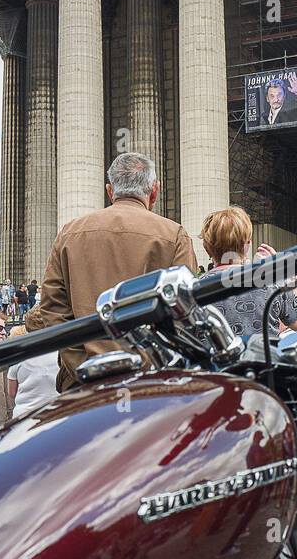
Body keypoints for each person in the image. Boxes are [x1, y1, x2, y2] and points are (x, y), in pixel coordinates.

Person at [26, 153, 197, 388]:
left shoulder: (69, 232)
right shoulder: (174, 234)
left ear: (110, 191)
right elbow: (185, 307)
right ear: (154, 191)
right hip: (151, 381)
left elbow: (52, 307)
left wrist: (83, 363)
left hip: (84, 381)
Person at [197, 206, 297, 341]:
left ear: (207, 248)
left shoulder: (193, 292)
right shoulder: (269, 282)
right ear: (247, 244)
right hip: (262, 360)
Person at [7, 327, 60, 419]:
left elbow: (12, 392)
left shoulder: (18, 357)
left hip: (25, 413)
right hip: (55, 410)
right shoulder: (60, 353)